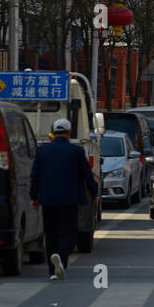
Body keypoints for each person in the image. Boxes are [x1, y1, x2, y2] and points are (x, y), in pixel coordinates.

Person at [30, 118, 99, 281]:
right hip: (70, 200)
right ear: (69, 132)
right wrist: (94, 193)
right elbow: (87, 175)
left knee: (51, 233)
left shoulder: (42, 151)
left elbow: (35, 176)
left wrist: (34, 196)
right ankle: (61, 259)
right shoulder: (76, 152)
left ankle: (52, 271)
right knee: (68, 233)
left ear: (53, 133)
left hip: (48, 200)